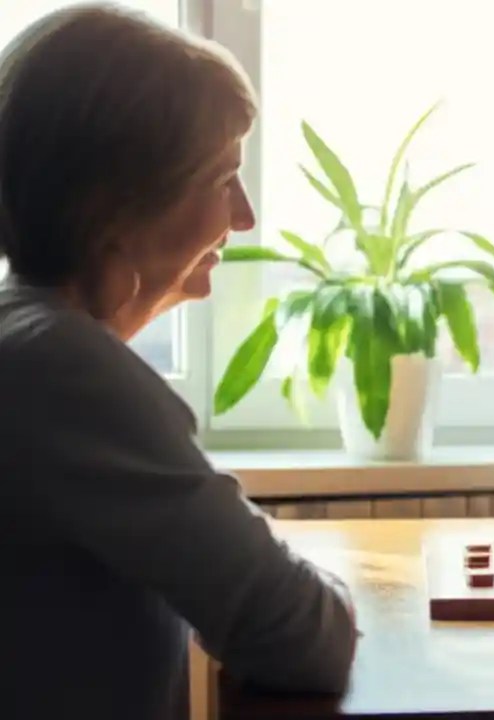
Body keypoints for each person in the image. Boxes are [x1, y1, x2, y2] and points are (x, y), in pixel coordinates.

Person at [0, 5, 357, 718]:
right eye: (222, 179)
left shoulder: (27, 338)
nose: (246, 216)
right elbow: (302, 633)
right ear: (114, 205)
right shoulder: (63, 370)